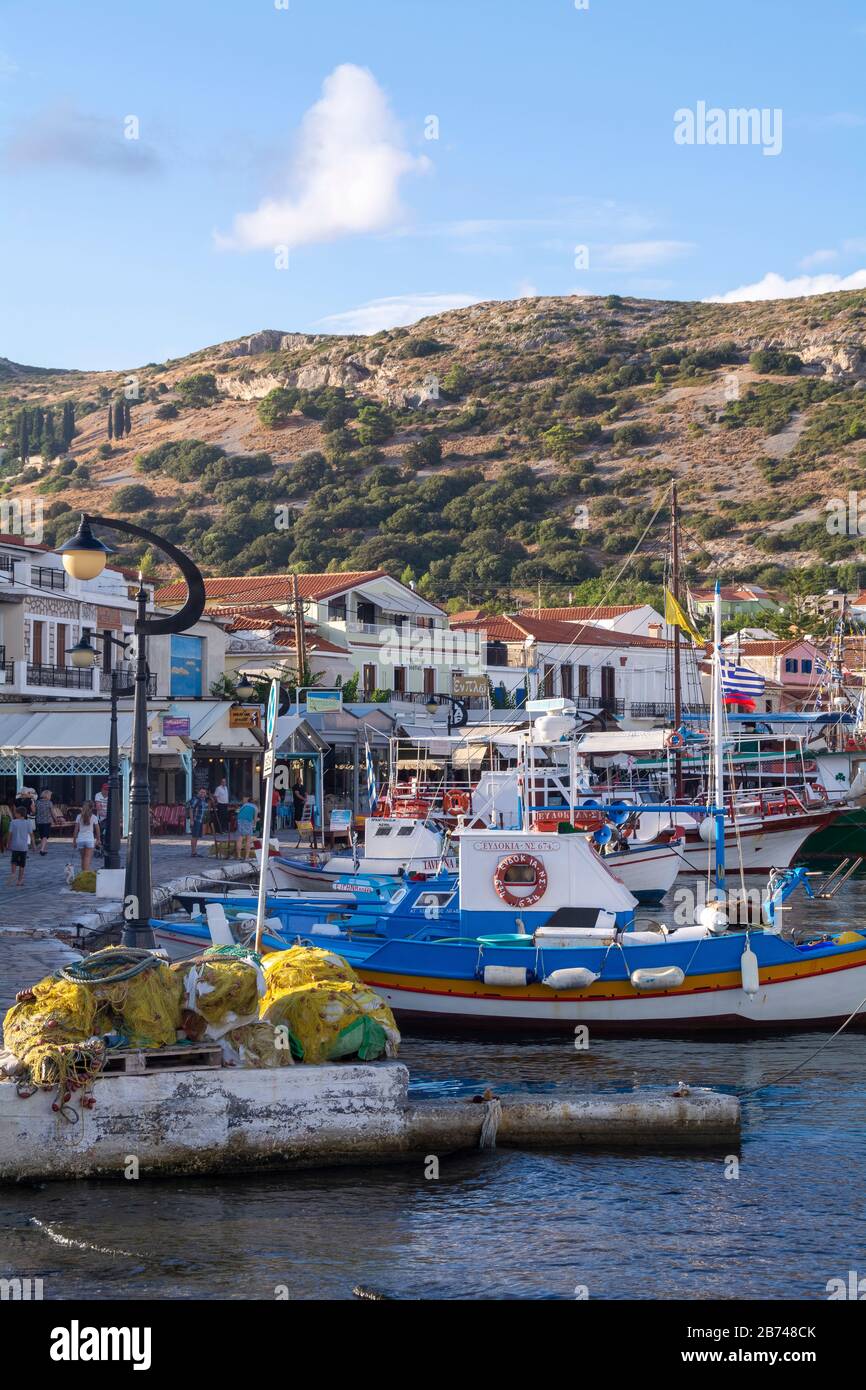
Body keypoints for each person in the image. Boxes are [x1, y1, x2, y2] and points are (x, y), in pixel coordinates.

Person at [7, 806, 35, 886]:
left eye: (15, 813)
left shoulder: (13, 822)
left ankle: (13, 873)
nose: (14, 814)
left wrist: (8, 844)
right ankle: (19, 881)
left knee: (14, 861)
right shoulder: (28, 822)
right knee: (22, 864)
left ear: (19, 814)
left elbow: (10, 834)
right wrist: (33, 846)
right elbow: (31, 835)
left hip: (15, 846)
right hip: (23, 847)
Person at [72, 801, 101, 873]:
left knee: (83, 859)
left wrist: (74, 840)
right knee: (87, 859)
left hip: (80, 839)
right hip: (89, 839)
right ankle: (86, 874)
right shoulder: (94, 817)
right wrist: (98, 839)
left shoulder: (79, 816)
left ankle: (83, 874)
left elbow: (76, 830)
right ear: (92, 808)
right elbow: (97, 829)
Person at [187, 786, 210, 858]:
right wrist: (191, 820)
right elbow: (191, 809)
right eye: (201, 792)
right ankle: (193, 852)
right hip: (195, 820)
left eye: (204, 792)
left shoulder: (204, 800)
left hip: (200, 820)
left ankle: (195, 851)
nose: (203, 793)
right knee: (194, 836)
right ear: (199, 792)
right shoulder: (196, 799)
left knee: (197, 836)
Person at [34, 790, 54, 856]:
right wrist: (56, 819)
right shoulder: (49, 803)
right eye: (50, 795)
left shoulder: (37, 802)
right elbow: (52, 813)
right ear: (47, 795)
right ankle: (42, 850)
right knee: (45, 836)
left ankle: (42, 848)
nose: (50, 797)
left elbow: (34, 811)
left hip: (39, 821)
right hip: (47, 821)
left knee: (42, 835)